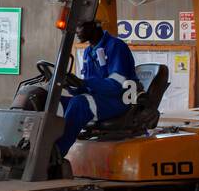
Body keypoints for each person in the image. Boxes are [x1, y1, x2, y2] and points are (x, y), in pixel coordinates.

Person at [55, 19, 138, 156]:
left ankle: (54, 154)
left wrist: (85, 83)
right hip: (101, 99)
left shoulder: (116, 46)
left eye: (79, 26)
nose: (76, 31)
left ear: (94, 25)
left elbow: (117, 85)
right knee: (52, 102)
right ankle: (31, 148)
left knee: (80, 104)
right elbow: (88, 87)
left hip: (120, 100)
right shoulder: (88, 51)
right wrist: (71, 85)